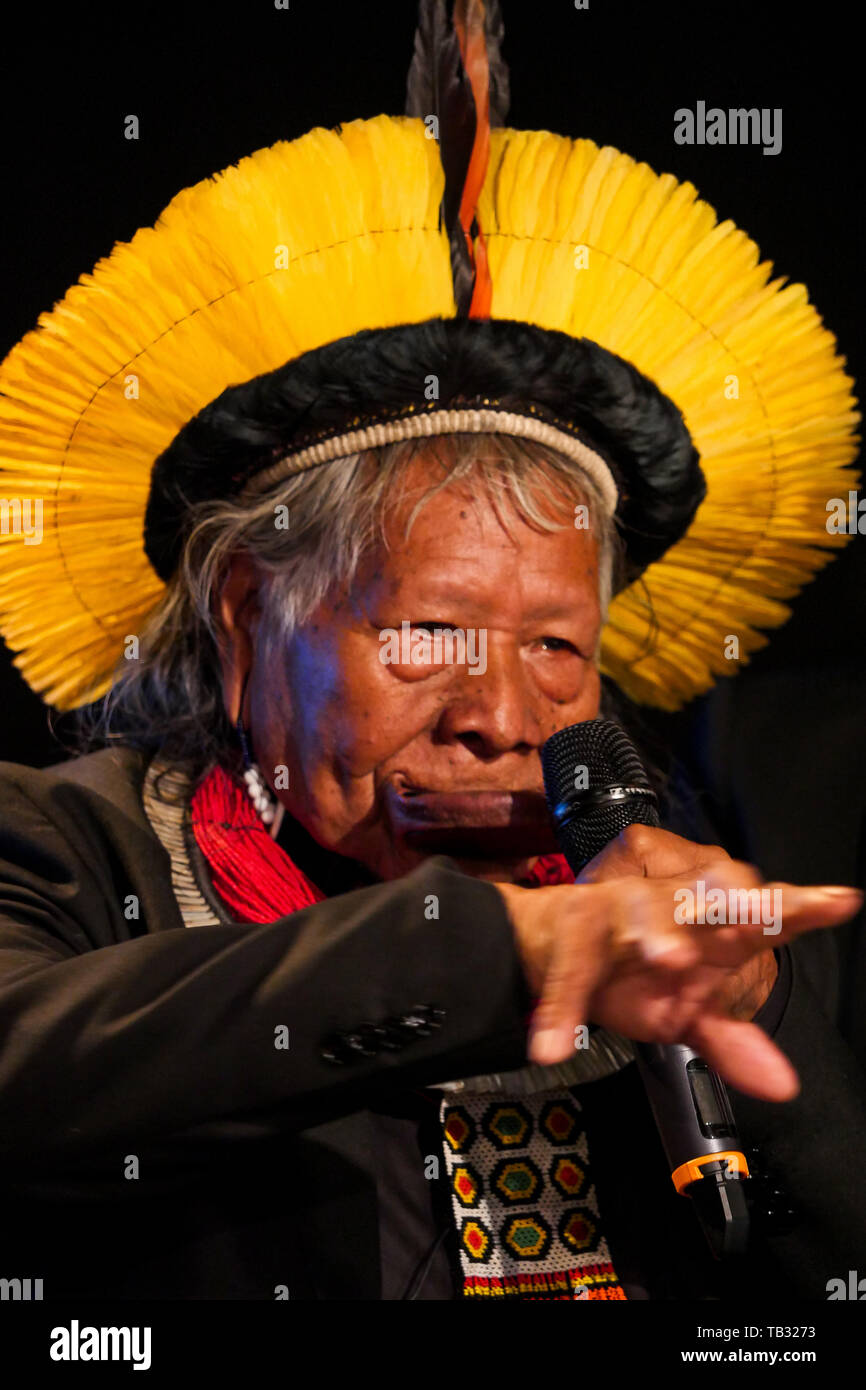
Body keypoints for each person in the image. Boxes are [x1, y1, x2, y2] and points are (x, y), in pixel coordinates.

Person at [0, 1, 862, 1300]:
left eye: (559, 645)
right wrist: (491, 953)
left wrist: (748, 998)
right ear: (245, 619)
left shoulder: (682, 905)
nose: (505, 717)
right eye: (429, 630)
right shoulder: (58, 852)